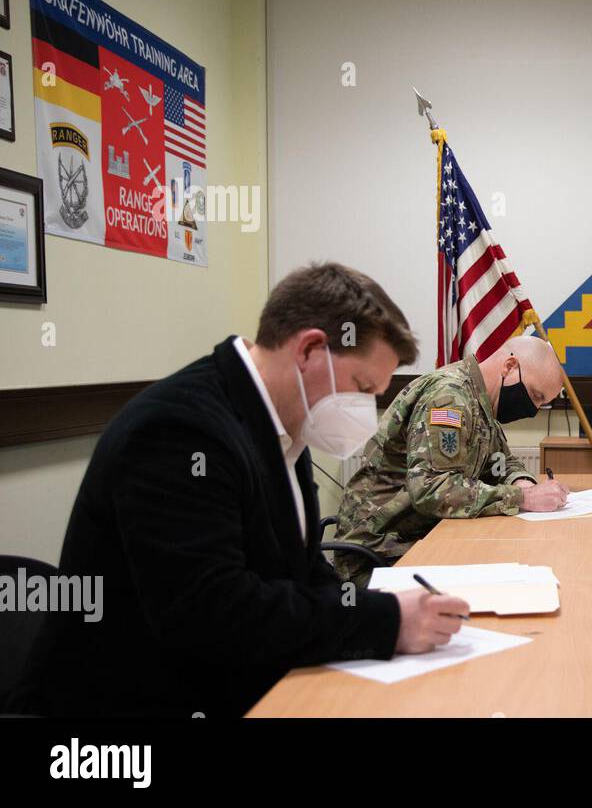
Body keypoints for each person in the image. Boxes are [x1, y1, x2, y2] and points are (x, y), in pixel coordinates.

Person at [10, 263, 468, 717]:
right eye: (362, 387)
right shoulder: (179, 429)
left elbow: (300, 569)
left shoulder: (283, 423)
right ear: (309, 349)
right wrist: (385, 623)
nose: (365, 409)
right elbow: (211, 612)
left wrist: (373, 608)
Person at [332, 335, 568, 585]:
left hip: (423, 536)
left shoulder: (482, 402)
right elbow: (431, 490)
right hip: (381, 552)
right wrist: (522, 498)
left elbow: (501, 461)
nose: (533, 409)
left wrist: (522, 482)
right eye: (535, 395)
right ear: (509, 367)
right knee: (499, 584)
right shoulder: (449, 397)